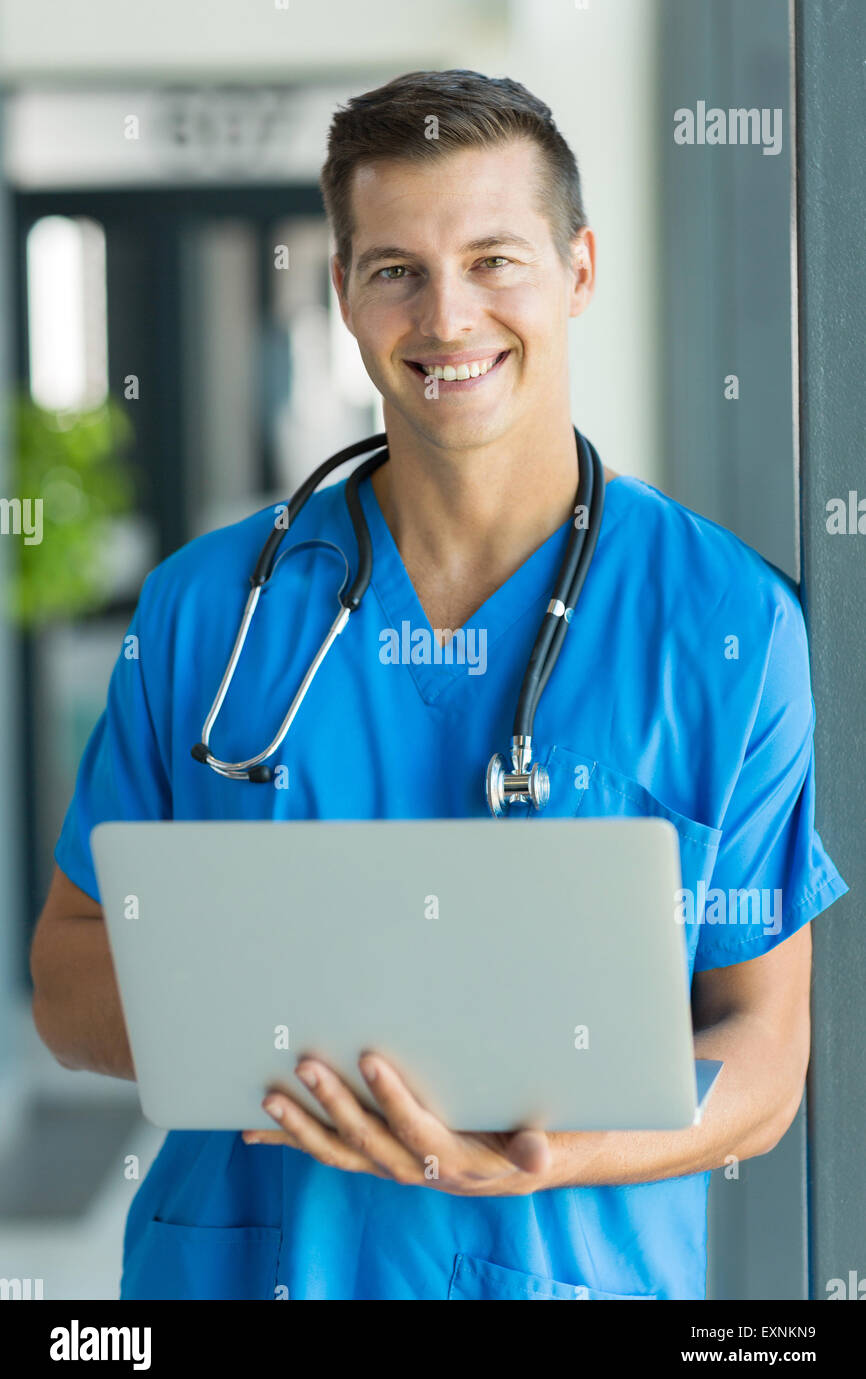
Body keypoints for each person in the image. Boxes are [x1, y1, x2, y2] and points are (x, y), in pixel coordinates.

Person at [31, 69, 847, 1301]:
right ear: (346, 295)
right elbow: (67, 973)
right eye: (394, 269)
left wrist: (547, 1150)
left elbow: (762, 1051)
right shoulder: (206, 611)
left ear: (577, 271)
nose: (447, 317)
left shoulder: (725, 626)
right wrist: (304, 1049)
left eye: (494, 259)